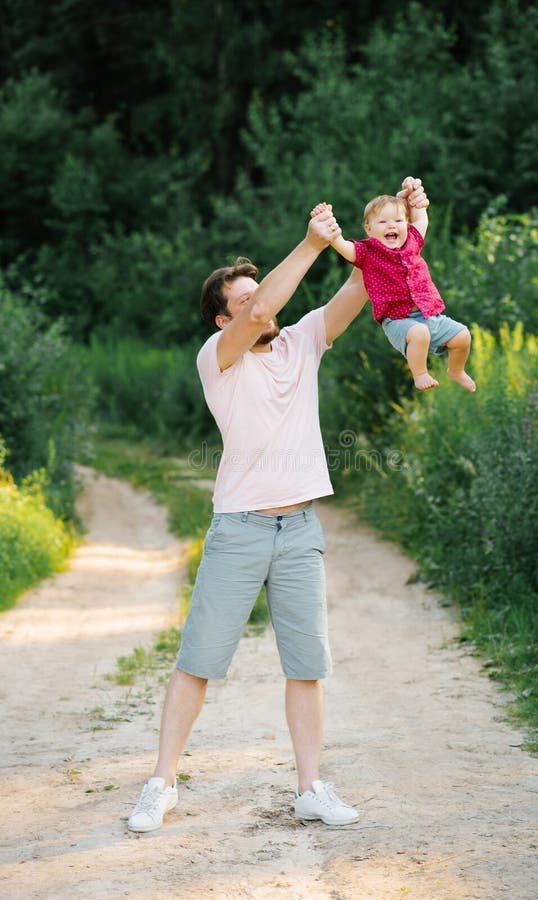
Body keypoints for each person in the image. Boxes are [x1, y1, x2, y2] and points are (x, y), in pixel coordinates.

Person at [127, 181, 430, 834]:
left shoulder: (302, 340)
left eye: (254, 295)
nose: (258, 307)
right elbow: (266, 304)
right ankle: (159, 784)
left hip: (300, 530)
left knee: (307, 665)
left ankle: (312, 787)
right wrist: (308, 243)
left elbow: (366, 285)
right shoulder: (218, 359)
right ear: (223, 320)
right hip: (238, 531)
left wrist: (394, 225)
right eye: (241, 303)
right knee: (198, 661)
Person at [313, 177, 476, 392]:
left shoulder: (413, 241)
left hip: (429, 315)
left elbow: (421, 220)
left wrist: (413, 194)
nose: (392, 226)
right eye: (383, 222)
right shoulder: (368, 252)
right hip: (399, 321)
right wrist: (329, 227)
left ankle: (456, 370)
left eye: (398, 221)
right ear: (369, 229)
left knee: (463, 335)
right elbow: (343, 246)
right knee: (420, 334)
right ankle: (420, 374)